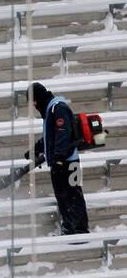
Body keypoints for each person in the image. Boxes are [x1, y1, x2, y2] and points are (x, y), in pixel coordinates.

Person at [29, 83, 90, 236]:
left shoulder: (58, 108)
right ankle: (69, 228)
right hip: (60, 162)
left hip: (69, 162)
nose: (34, 105)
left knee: (73, 196)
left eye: (34, 101)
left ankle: (80, 231)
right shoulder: (50, 109)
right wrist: (37, 148)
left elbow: (63, 134)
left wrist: (59, 158)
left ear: (39, 97)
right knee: (63, 197)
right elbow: (51, 135)